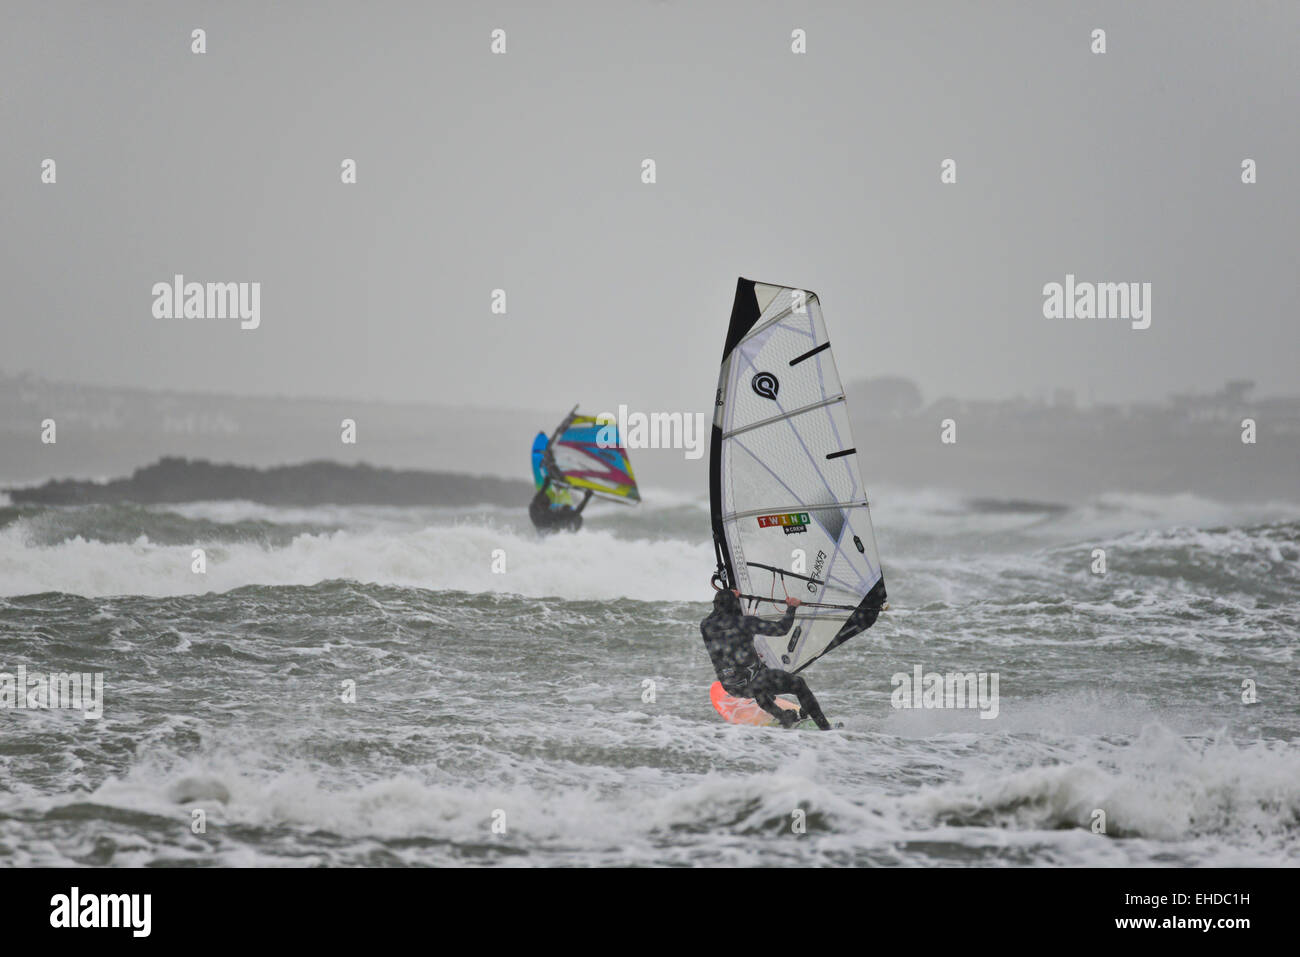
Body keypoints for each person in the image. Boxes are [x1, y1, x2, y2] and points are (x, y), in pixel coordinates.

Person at [701, 588, 833, 730]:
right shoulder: (746, 623)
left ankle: (783, 717)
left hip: (732, 687)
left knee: (761, 679)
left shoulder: (705, 626)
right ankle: (825, 728)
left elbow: (721, 614)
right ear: (734, 604)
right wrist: (792, 607)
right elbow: (781, 628)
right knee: (797, 684)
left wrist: (728, 597)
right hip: (754, 682)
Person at [528, 473, 592, 534]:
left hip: (544, 533)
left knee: (568, 517)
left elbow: (537, 499)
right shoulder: (553, 515)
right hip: (552, 533)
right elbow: (576, 512)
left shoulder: (533, 508)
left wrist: (545, 485)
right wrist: (587, 497)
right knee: (576, 517)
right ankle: (573, 532)